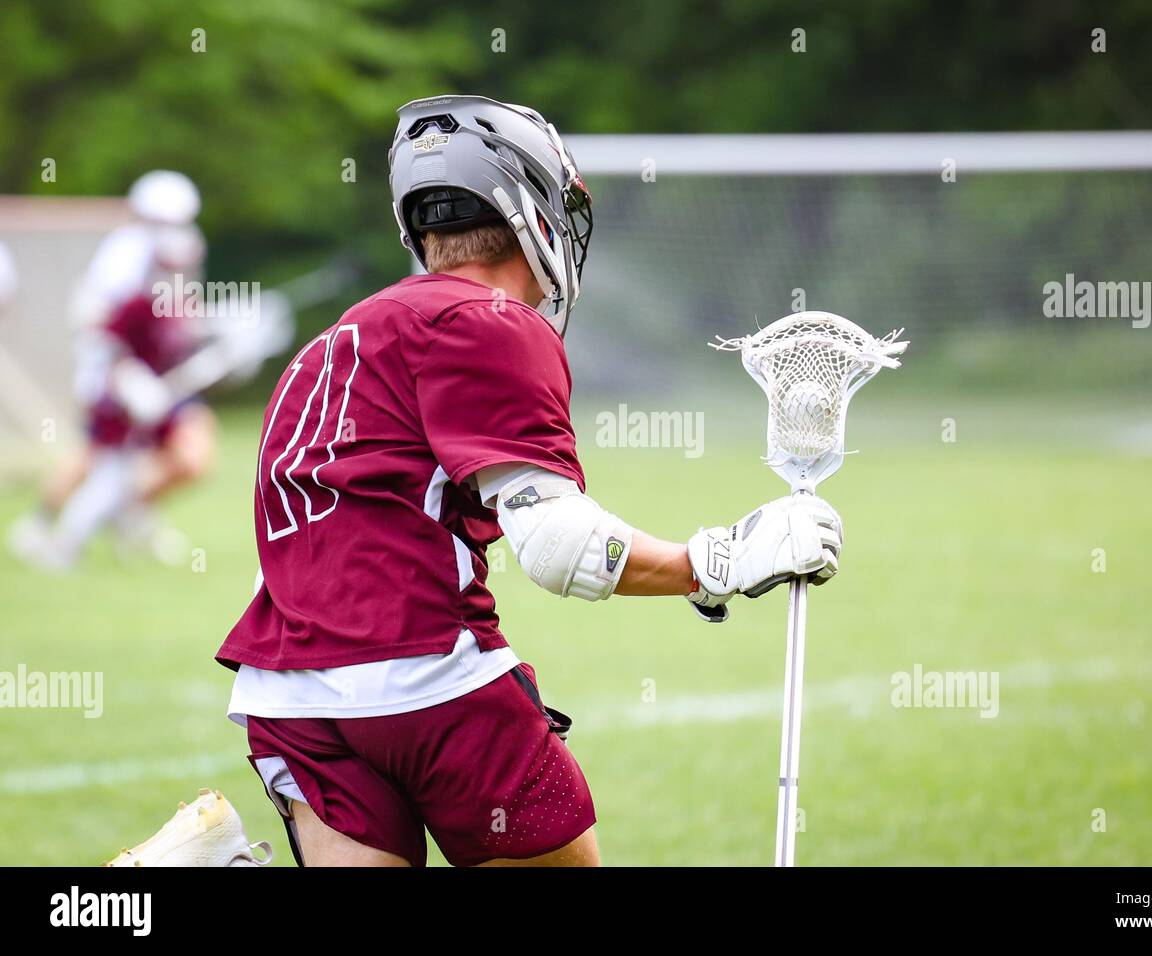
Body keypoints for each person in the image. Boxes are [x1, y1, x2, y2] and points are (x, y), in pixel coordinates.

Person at [216, 94, 844, 867]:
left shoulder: (331, 344)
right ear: (529, 209)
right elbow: (556, 545)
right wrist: (712, 563)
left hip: (286, 696)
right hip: (425, 683)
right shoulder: (487, 321)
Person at [9, 171, 215, 569]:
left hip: (161, 376)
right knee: (100, 457)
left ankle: (127, 515)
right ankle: (46, 526)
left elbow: (178, 318)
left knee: (185, 453)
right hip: (120, 376)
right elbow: (104, 326)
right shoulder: (125, 256)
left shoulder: (182, 252)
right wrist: (127, 375)